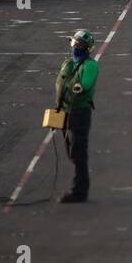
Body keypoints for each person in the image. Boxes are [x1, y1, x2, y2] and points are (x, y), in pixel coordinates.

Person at [53, 29, 99, 203]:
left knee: (79, 151)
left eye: (77, 45)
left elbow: (85, 83)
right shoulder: (68, 63)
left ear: (85, 48)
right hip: (64, 111)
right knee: (71, 151)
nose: (74, 47)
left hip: (79, 113)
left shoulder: (90, 66)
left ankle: (79, 191)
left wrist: (79, 88)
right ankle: (79, 187)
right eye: (73, 44)